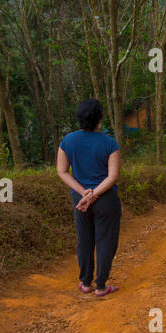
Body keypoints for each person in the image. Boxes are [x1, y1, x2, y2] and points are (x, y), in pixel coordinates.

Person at [56, 99, 122, 297]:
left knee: (84, 240)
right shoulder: (109, 143)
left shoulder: (67, 141)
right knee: (105, 240)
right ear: (99, 119)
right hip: (106, 199)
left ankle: (85, 283)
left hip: (79, 200)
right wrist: (94, 193)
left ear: (79, 118)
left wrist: (84, 193)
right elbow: (112, 176)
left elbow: (62, 171)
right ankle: (101, 286)